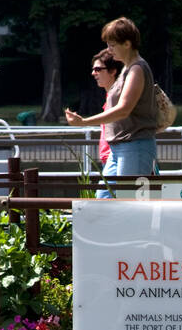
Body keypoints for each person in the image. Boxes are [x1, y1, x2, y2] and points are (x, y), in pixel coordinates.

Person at [65, 17, 157, 194]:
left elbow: (123, 110)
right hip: (118, 148)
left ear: (127, 44)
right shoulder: (128, 68)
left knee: (128, 201)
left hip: (134, 146)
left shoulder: (137, 69)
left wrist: (84, 122)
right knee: (103, 198)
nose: (108, 49)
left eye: (112, 45)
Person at [90, 47, 123, 198]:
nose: (93, 73)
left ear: (113, 71)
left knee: (103, 199)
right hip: (110, 159)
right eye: (93, 69)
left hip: (117, 158)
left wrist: (82, 122)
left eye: (98, 69)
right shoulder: (110, 96)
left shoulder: (119, 97)